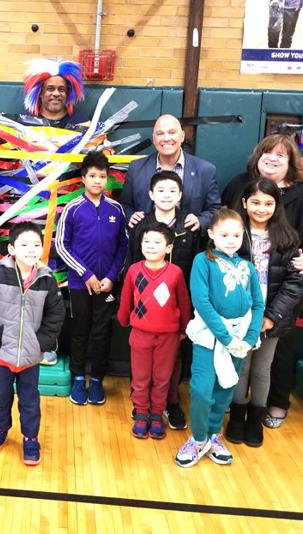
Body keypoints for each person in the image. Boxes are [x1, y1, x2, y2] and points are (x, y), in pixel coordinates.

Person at [221, 133, 303, 429]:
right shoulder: (239, 183)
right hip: (239, 300)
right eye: (267, 152)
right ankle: (235, 409)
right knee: (240, 360)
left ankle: (274, 404)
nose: (273, 158)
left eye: (281, 154)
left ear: (291, 162)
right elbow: (221, 226)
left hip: (279, 295)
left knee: (273, 359)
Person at [0, 222, 65, 466]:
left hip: (31, 358)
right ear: (12, 248)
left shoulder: (46, 280)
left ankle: (30, 438)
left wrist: (41, 343)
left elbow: (56, 315)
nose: (31, 249)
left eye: (36, 245)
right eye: (24, 245)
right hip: (3, 354)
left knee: (30, 401)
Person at [175, 209, 264, 468]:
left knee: (225, 388)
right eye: (224, 234)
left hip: (239, 340)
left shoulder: (248, 267)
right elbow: (202, 302)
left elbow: (258, 304)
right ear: (212, 234)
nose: (231, 240)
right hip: (210, 338)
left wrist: (249, 338)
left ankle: (214, 435)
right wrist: (225, 337)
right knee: (202, 390)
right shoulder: (203, 261)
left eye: (236, 235)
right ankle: (198, 437)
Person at [225, 179, 303, 448]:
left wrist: (271, 316)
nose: (261, 208)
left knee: (262, 369)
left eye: (268, 203)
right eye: (255, 202)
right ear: (245, 203)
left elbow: (294, 284)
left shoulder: (287, 237)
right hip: (239, 317)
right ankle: (236, 415)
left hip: (272, 317)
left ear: (276, 206)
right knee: (241, 367)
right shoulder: (234, 233)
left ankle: (255, 418)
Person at [126, 170, 199, 430]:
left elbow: (196, 263)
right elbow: (132, 262)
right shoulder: (140, 224)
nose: (166, 196)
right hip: (146, 309)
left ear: (180, 195)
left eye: (172, 191)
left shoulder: (189, 224)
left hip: (178, 302)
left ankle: (171, 402)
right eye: (161, 190)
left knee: (174, 357)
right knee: (143, 361)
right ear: (150, 194)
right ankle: (141, 405)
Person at [55, 151, 127, 406]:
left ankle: (96, 379)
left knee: (102, 332)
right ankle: (77, 378)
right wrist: (85, 274)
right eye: (93, 176)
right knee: (79, 331)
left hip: (106, 285)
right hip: (78, 284)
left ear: (108, 180)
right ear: (83, 178)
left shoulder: (116, 210)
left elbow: (123, 247)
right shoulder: (72, 209)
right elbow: (62, 246)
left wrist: (110, 277)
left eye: (102, 177)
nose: (97, 181)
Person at [118, 223, 191, 440]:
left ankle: (157, 414)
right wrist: (123, 319)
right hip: (140, 333)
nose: (150, 246)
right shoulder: (133, 270)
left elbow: (184, 303)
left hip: (168, 336)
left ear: (168, 248)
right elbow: (126, 299)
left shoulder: (175, 273)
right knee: (140, 378)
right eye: (146, 241)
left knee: (162, 378)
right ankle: (141, 413)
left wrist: (185, 328)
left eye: (157, 242)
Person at [120, 114, 221, 233]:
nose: (166, 138)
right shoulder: (136, 168)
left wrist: (201, 221)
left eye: (172, 132)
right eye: (160, 134)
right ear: (153, 138)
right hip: (146, 245)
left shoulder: (205, 170)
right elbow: (125, 205)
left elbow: (215, 209)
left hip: (188, 245)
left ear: (182, 136)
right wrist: (130, 215)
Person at [16, 58, 86, 128]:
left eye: (61, 89)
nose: (56, 94)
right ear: (40, 93)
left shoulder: (81, 124)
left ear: (67, 93)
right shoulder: (25, 122)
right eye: (50, 89)